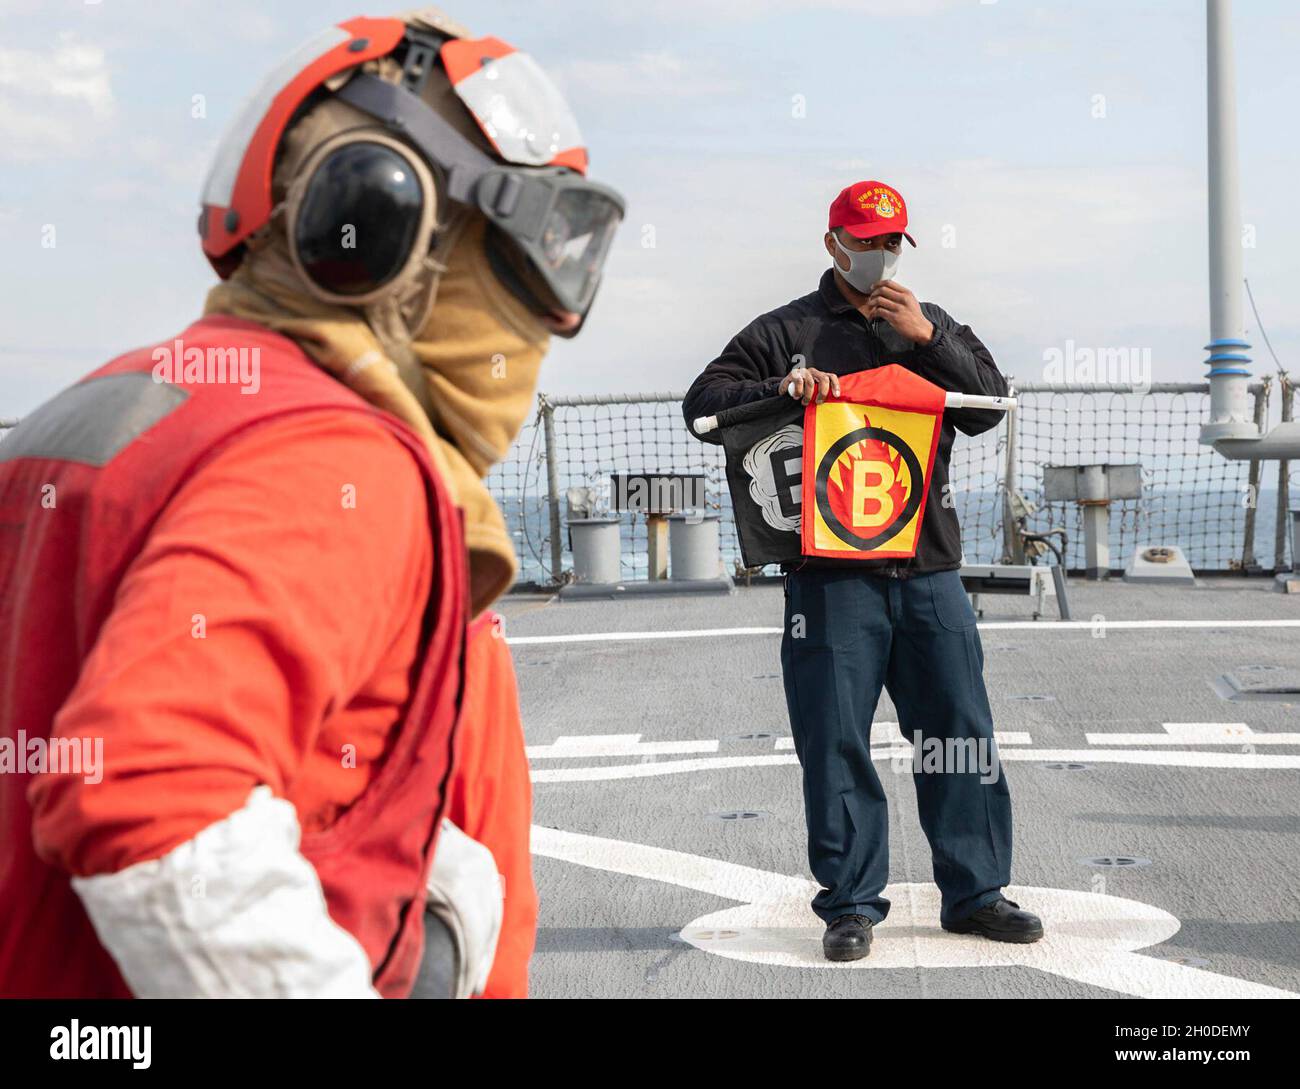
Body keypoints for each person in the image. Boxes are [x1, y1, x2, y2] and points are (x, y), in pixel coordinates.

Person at [0, 7, 622, 998]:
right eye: (528, 246)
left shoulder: (98, 412)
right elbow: (153, 803)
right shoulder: (332, 457)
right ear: (379, 221)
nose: (550, 313)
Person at [683, 179, 1042, 962]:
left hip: (928, 569)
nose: (878, 255)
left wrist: (926, 339)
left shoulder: (931, 323)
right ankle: (849, 904)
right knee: (835, 738)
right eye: (866, 241)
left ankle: (977, 892)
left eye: (891, 243)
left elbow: (988, 406)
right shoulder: (786, 330)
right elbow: (702, 403)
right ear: (834, 243)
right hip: (830, 574)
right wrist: (781, 386)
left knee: (958, 731)